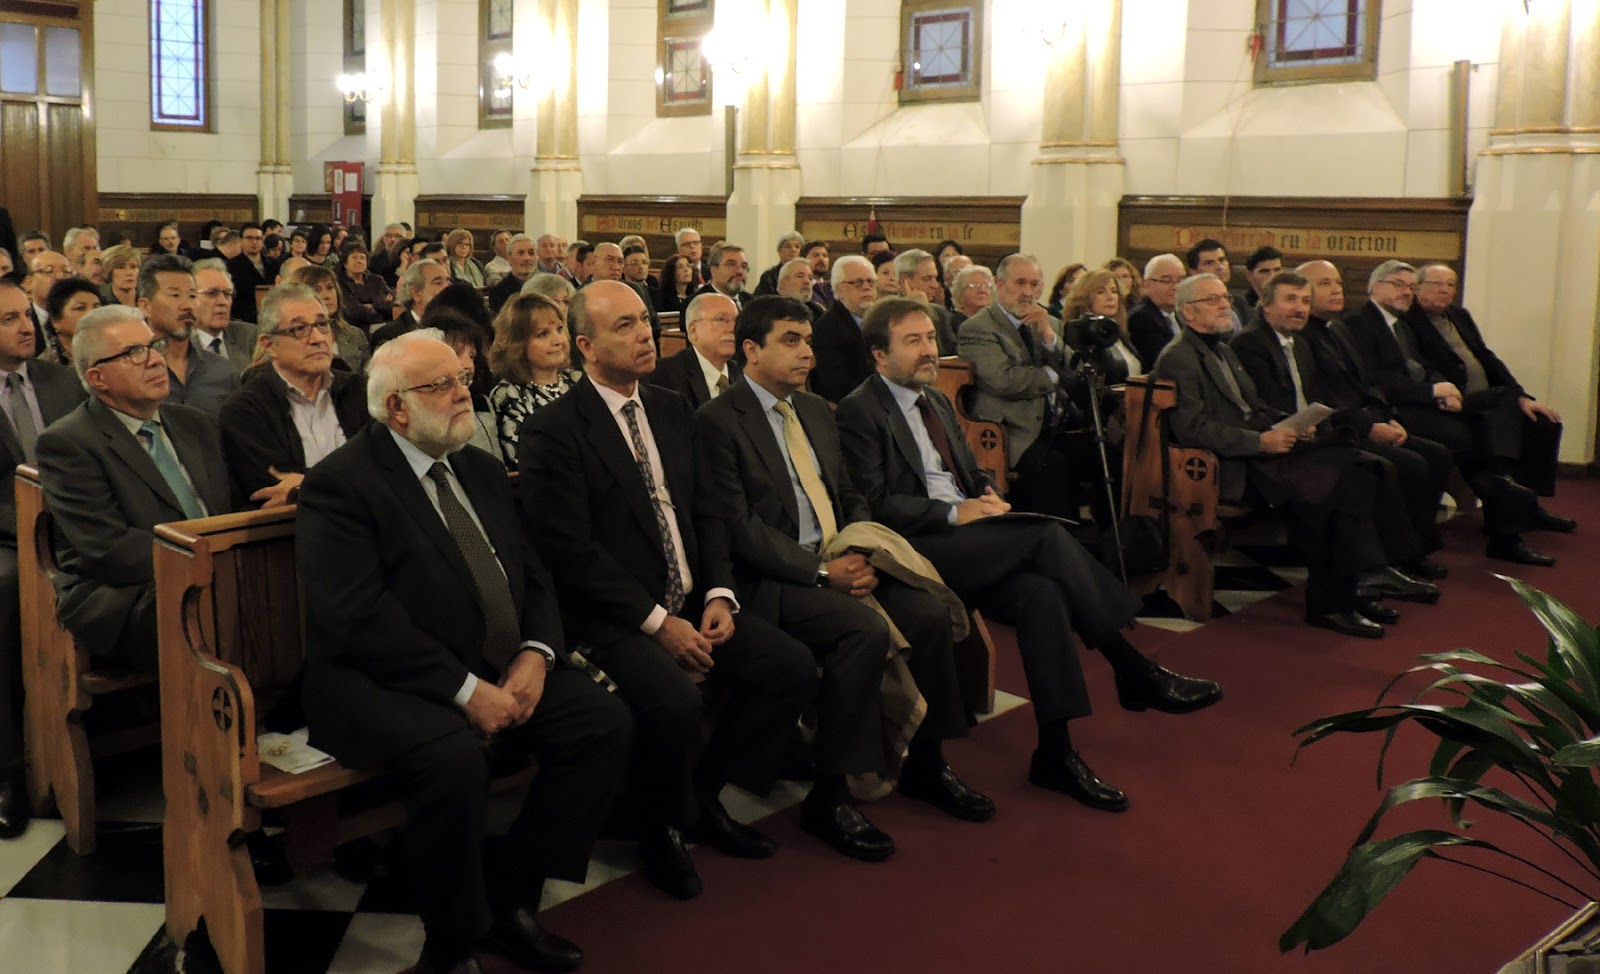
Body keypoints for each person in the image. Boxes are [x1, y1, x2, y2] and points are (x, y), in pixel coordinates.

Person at [297, 331, 627, 974]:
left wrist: (537, 654)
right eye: (441, 385)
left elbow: (533, 572)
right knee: (452, 761)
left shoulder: (478, 468)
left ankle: (510, 899)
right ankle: (450, 944)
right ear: (396, 407)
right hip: (380, 679)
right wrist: (467, 690)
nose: (462, 395)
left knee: (602, 722)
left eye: (462, 379)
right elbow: (357, 618)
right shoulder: (341, 485)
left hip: (493, 662)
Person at [835, 297, 1223, 810]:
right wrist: (954, 513)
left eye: (930, 337)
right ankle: (1132, 668)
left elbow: (969, 471)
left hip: (965, 536)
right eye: (913, 341)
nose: (929, 349)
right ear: (879, 354)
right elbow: (873, 503)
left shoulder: (933, 400)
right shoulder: (861, 409)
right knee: (1044, 537)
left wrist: (987, 495)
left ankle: (1056, 753)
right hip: (913, 547)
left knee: (1043, 595)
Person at [520, 281, 818, 898]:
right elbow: (571, 553)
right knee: (675, 701)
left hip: (692, 599)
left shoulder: (671, 408)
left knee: (789, 667)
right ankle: (658, 830)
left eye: (644, 321)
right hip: (616, 616)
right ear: (585, 346)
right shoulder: (554, 429)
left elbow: (709, 510)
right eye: (624, 326)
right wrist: (660, 623)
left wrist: (718, 594)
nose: (645, 335)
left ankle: (701, 798)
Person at [698, 295, 994, 860]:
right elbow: (739, 527)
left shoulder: (814, 409)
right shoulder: (719, 419)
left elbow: (850, 491)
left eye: (809, 341)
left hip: (842, 555)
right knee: (863, 630)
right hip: (774, 577)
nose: (807, 354)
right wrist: (819, 572)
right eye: (790, 341)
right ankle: (831, 795)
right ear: (750, 350)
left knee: (929, 612)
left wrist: (859, 547)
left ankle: (928, 763)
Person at [1153, 274, 1407, 638]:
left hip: (1260, 455)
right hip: (1230, 467)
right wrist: (1261, 442)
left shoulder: (1222, 349)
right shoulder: (1178, 357)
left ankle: (1350, 591)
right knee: (1339, 485)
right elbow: (1193, 429)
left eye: (1225, 297)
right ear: (1188, 312)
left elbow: (1253, 407)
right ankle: (1335, 601)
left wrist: (1293, 424)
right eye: (1213, 300)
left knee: (1358, 468)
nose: (1225, 305)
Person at [1230, 271, 1452, 599]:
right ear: (1266, 305)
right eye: (1290, 300)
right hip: (1279, 446)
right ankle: (1369, 572)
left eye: (1304, 301)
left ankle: (1386, 565)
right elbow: (1264, 407)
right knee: (1368, 469)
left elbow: (1329, 394)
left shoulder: (1299, 342)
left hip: (1312, 434)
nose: (1300, 308)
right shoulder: (1250, 343)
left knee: (1379, 466)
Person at [37, 304, 232, 669]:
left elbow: (227, 508)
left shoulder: (195, 423)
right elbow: (108, 549)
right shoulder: (68, 443)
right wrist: (205, 562)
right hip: (122, 594)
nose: (155, 360)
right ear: (97, 378)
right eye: (134, 353)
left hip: (209, 570)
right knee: (215, 600)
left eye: (154, 346)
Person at [1342, 260, 1563, 566]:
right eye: (1399, 285)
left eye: (1410, 286)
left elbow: (1425, 366)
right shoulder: (1358, 324)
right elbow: (1376, 379)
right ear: (1374, 286)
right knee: (1476, 440)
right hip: (1400, 410)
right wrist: (1433, 392)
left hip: (1431, 403)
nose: (1406, 292)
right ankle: (1504, 514)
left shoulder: (1401, 323)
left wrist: (1442, 387)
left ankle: (1506, 514)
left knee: (1508, 411)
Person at [0, 279, 87, 840]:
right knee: (6, 593)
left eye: (25, 315)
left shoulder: (60, 380)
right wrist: (31, 524)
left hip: (73, 524)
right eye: (8, 319)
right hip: (6, 535)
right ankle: (9, 766)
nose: (25, 326)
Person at [218, 283, 368, 506]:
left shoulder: (359, 390)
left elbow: (387, 467)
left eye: (322, 325)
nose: (317, 338)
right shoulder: (244, 410)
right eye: (299, 329)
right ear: (269, 345)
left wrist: (306, 484)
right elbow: (274, 491)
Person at [487, 292, 581, 469]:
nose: (558, 340)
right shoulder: (508, 396)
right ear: (518, 344)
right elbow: (520, 460)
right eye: (543, 334)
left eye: (560, 329)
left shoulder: (578, 381)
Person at [135, 254, 237, 416]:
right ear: (145, 306)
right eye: (175, 295)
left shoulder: (222, 370)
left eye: (192, 296)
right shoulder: (132, 369)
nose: (188, 305)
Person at [643, 291, 741, 408]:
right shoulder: (663, 377)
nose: (732, 328)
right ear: (693, 330)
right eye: (721, 319)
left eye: (736, 321)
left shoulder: (743, 374)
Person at [809, 255, 879, 402]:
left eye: (871, 282)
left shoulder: (882, 320)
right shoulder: (827, 329)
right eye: (858, 283)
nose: (867, 287)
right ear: (838, 289)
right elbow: (836, 387)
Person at [291, 264, 372, 374]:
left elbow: (368, 377)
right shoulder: (289, 339)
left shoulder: (355, 335)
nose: (326, 296)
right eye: (316, 289)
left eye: (330, 287)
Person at [189, 259, 256, 373]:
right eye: (211, 293)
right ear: (190, 298)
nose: (223, 301)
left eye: (227, 294)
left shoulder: (250, 336)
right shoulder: (179, 345)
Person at [1128, 253, 1186, 367]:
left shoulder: (1181, 315)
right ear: (1147, 284)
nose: (1175, 287)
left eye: (1180, 280)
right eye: (1167, 280)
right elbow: (1163, 362)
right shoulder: (1142, 318)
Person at [42, 277, 101, 367]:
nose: (91, 313)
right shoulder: (45, 366)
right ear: (55, 320)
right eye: (80, 308)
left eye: (96, 307)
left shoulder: (114, 353)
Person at [336, 241, 395, 331]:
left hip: (383, 326)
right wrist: (382, 305)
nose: (359, 261)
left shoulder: (377, 280)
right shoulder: (340, 283)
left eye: (362, 258)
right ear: (345, 263)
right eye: (354, 257)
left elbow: (394, 305)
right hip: (355, 329)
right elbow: (354, 312)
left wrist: (373, 306)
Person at [754, 231, 804, 296]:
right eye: (788, 246)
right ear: (780, 251)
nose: (793, 250)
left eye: (797, 247)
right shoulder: (769, 276)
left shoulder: (805, 275)